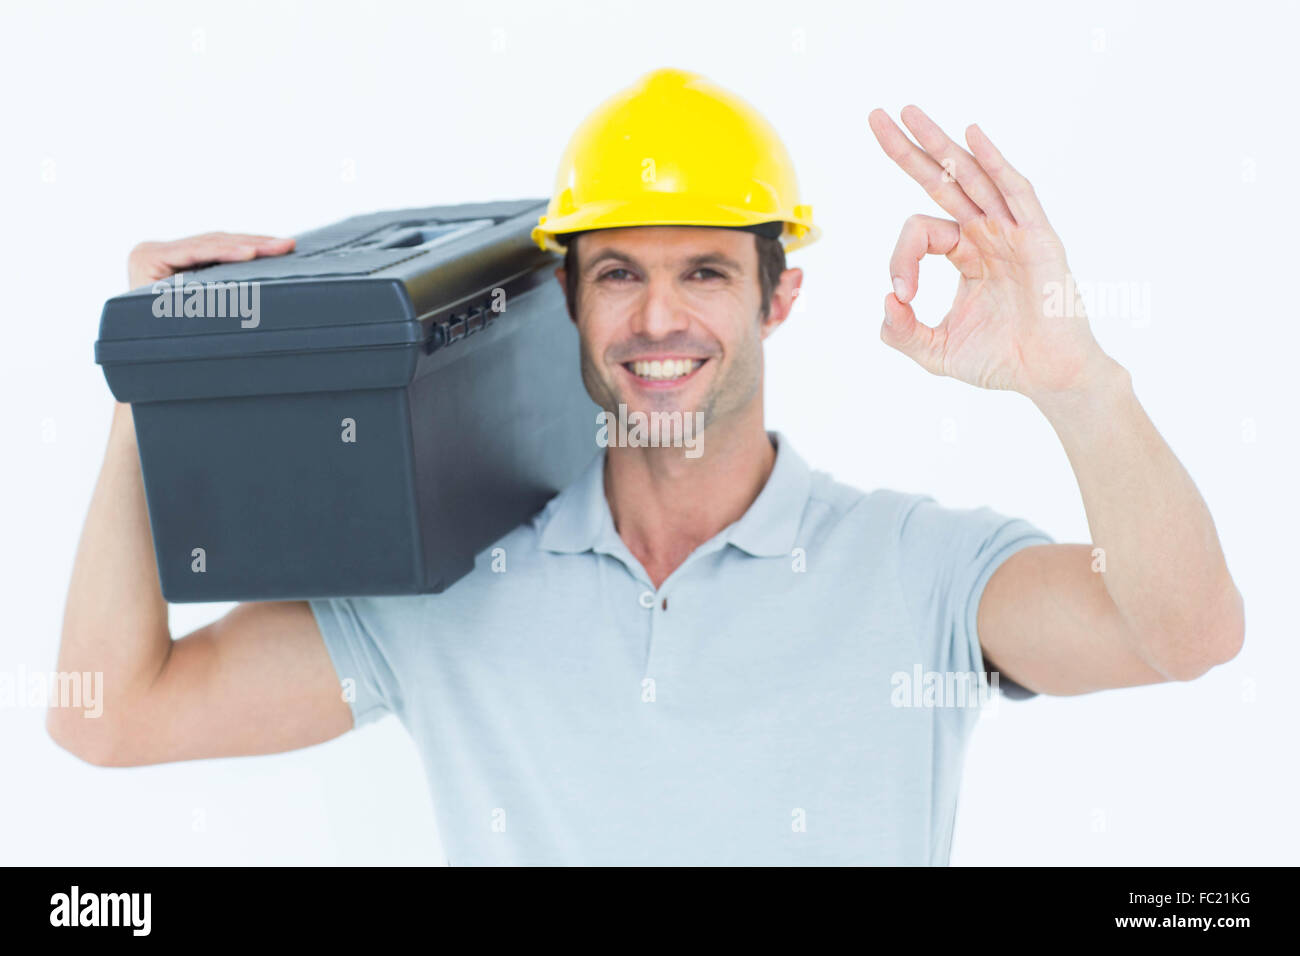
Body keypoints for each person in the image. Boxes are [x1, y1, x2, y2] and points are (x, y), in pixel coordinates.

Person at [50, 68, 1244, 865]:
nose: (657, 317)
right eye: (619, 272)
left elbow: (1184, 634)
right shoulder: (451, 586)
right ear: (567, 298)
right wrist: (147, 377)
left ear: (779, 295)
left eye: (706, 272)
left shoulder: (917, 570)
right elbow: (112, 714)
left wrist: (1075, 378)